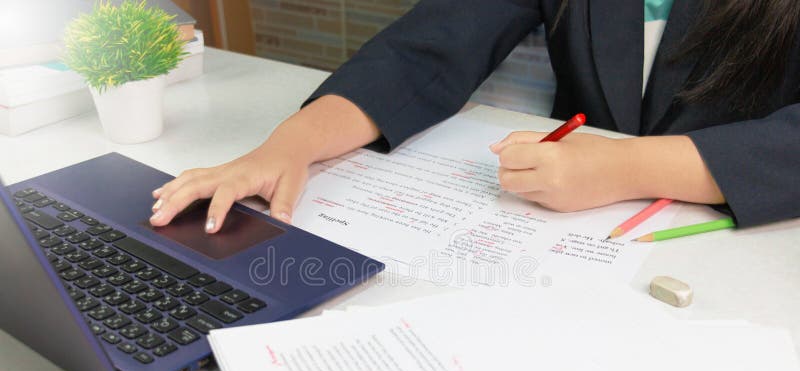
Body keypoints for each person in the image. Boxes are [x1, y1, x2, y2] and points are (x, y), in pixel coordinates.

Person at [149, 0, 800, 234]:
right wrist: (289, 146)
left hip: (746, 234)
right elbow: (427, 48)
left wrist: (627, 166)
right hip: (571, 237)